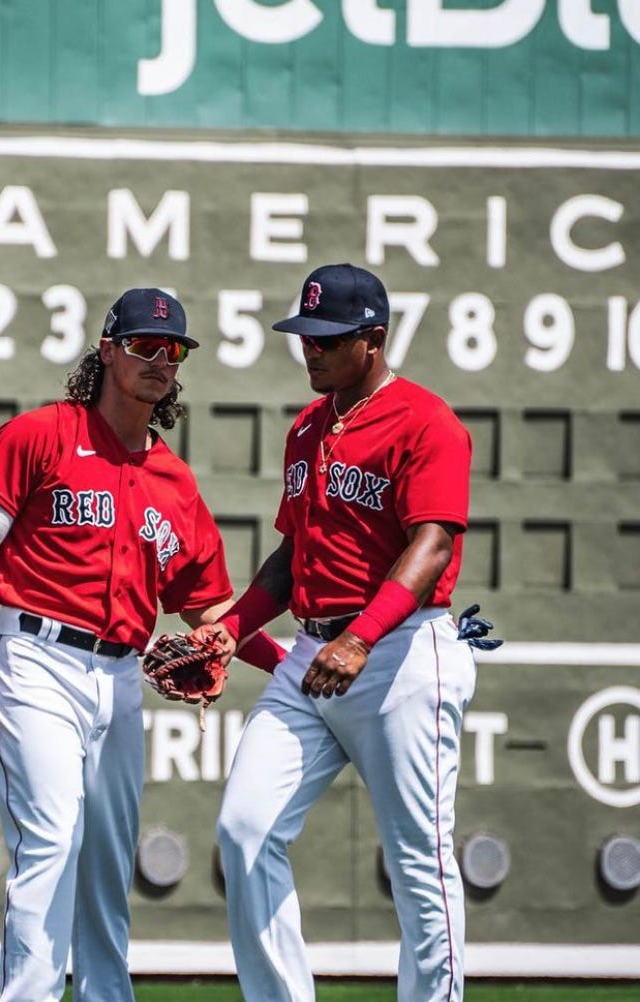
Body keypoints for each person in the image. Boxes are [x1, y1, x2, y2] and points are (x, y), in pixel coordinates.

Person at [0, 287, 284, 1002]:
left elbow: (207, 607)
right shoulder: (42, 434)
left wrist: (285, 663)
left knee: (105, 864)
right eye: (144, 346)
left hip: (121, 677)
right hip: (36, 660)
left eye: (173, 350)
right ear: (107, 351)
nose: (160, 359)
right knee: (51, 842)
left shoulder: (174, 481)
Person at [194, 262, 487, 1002]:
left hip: (400, 651)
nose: (311, 349)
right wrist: (230, 630)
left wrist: (361, 637)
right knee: (245, 829)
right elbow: (291, 554)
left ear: (374, 340)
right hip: (310, 653)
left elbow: (432, 544)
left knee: (418, 861)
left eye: (327, 338)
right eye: (305, 335)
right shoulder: (307, 427)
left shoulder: (425, 421)